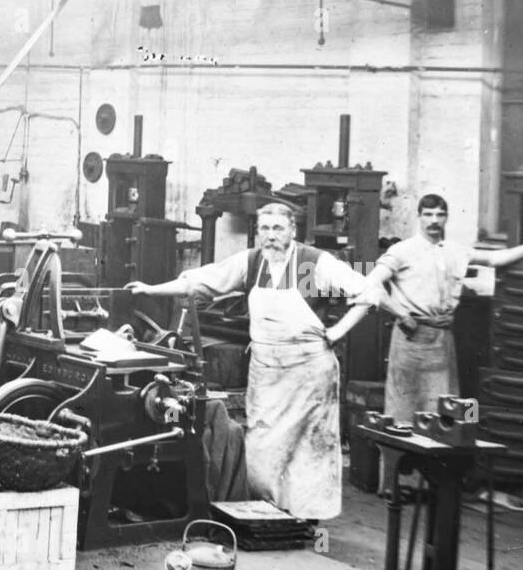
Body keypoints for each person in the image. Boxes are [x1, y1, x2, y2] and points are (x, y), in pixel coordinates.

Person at [127, 203, 374, 520]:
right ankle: (266, 515)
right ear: (258, 232)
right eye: (265, 229)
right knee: (262, 444)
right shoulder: (254, 263)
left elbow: (367, 293)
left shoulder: (312, 264)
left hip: (308, 374)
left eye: (278, 229)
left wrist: (338, 331)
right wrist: (151, 289)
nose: (271, 236)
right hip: (266, 370)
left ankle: (307, 517)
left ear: (292, 231)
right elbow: (203, 281)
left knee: (306, 450)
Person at [367, 193, 523, 424]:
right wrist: (401, 313)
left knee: (444, 413)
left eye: (440, 215)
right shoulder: (402, 250)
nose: (434, 220)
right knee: (401, 415)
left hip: (442, 340)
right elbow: (370, 284)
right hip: (410, 339)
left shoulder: (455, 251)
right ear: (419, 217)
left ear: (446, 218)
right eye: (428, 214)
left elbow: (494, 259)